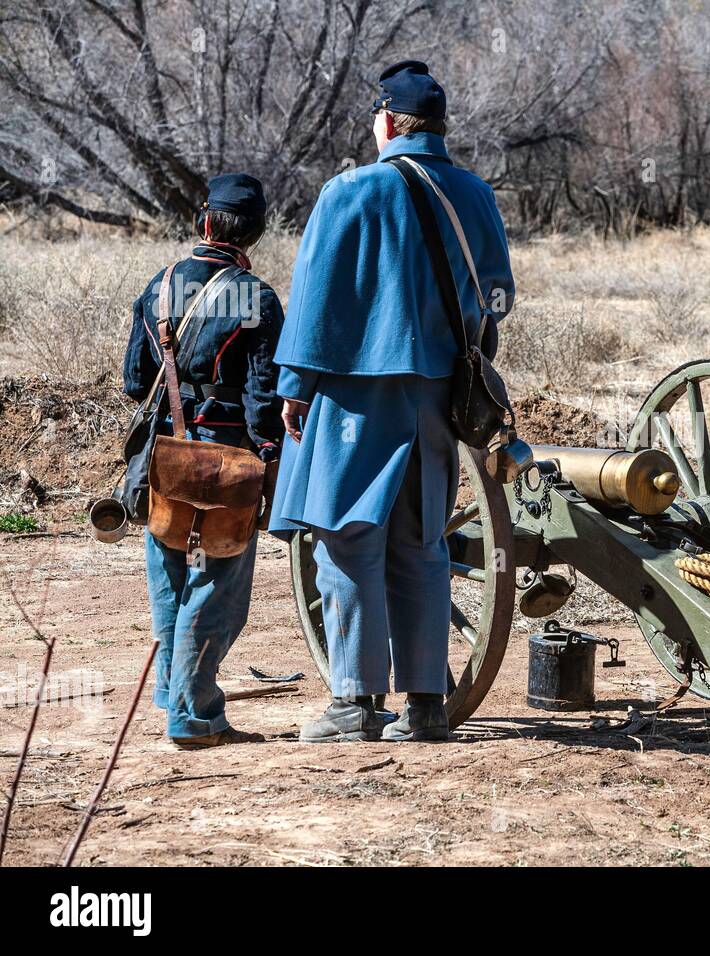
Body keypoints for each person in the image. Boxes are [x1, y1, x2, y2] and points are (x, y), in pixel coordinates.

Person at [270, 60, 514, 743]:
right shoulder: (475, 193)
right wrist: (462, 342)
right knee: (423, 544)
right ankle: (428, 705)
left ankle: (355, 702)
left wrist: (293, 388)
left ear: (386, 122)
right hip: (440, 395)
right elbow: (499, 298)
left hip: (357, 397)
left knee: (347, 542)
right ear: (437, 126)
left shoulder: (350, 191)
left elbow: (317, 302)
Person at [123, 173, 283, 749]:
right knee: (220, 584)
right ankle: (193, 715)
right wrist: (268, 461)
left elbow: (134, 380)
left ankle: (170, 692)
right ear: (254, 234)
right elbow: (265, 402)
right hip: (227, 460)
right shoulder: (258, 298)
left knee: (167, 569)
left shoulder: (158, 286)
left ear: (204, 221)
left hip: (165, 452)